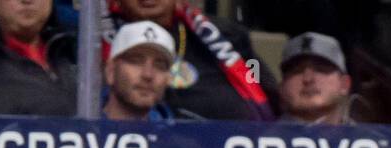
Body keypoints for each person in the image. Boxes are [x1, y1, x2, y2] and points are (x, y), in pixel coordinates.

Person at [107, 0, 276, 121]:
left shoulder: (226, 35)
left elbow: (262, 87)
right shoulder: (91, 37)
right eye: (136, 60)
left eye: (159, 64)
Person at [102, 19, 175, 121]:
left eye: (160, 66)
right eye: (135, 61)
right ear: (111, 71)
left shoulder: (175, 136)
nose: (148, 75)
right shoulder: (78, 132)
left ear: (168, 78)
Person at [278, 31, 354, 125]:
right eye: (297, 71)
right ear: (282, 87)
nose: (308, 79)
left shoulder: (370, 138)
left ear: (344, 84)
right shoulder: (258, 139)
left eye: (321, 69)